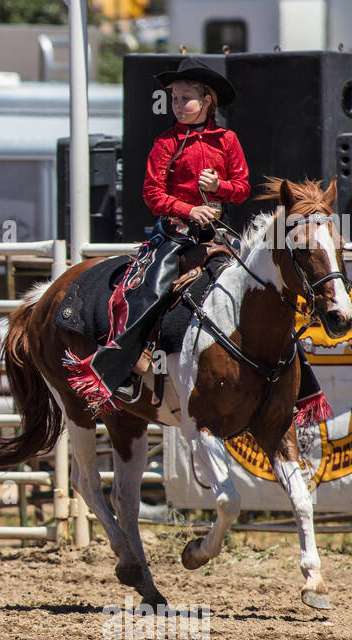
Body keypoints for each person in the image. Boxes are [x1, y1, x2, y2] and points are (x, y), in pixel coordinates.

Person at [68, 57, 249, 410]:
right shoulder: (165, 142)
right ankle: (123, 368)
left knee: (265, 283)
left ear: (206, 100)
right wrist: (189, 209)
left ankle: (289, 380)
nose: (179, 106)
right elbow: (152, 194)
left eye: (186, 99)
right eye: (175, 100)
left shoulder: (227, 140)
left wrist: (220, 186)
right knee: (146, 290)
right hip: (175, 235)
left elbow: (242, 187)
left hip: (217, 234)